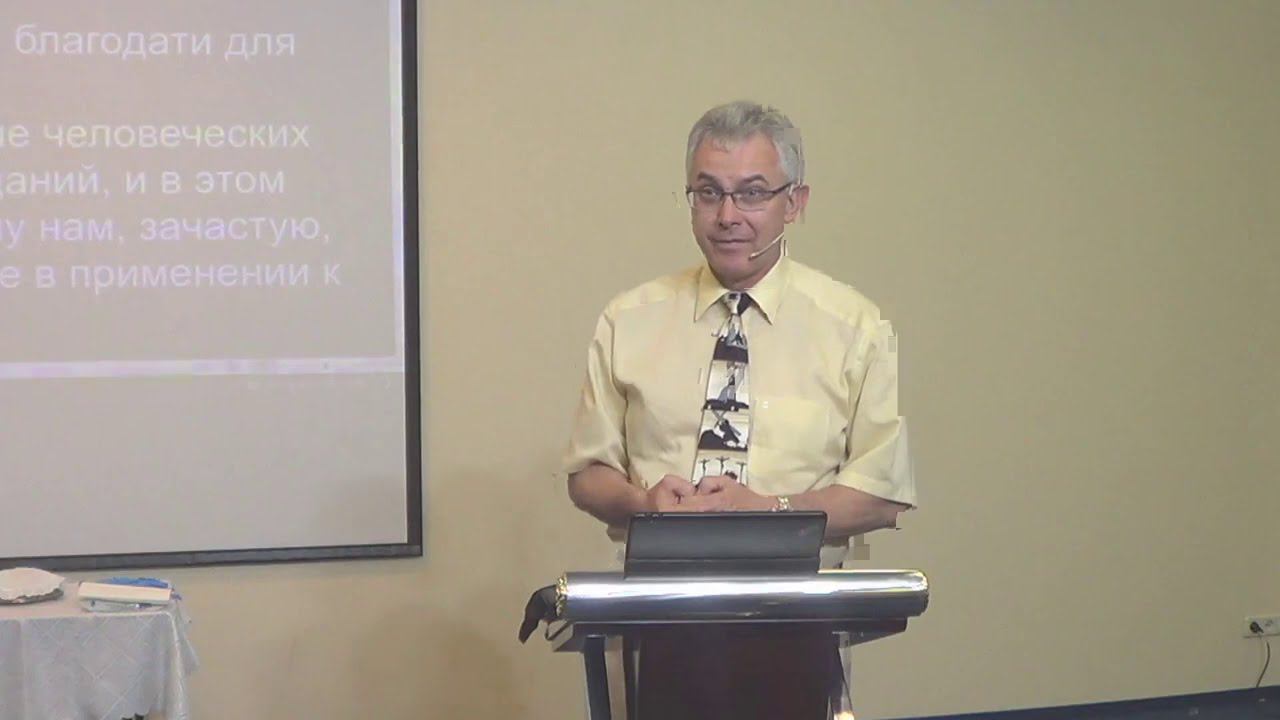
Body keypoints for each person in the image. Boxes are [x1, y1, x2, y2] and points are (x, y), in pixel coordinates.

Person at [562, 100, 916, 568]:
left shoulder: (855, 327)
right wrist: (644, 506)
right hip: (656, 596)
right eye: (709, 193)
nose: (727, 216)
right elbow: (588, 474)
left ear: (794, 203)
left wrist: (770, 511)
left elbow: (882, 494)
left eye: (752, 194)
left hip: (798, 600)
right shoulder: (627, 319)